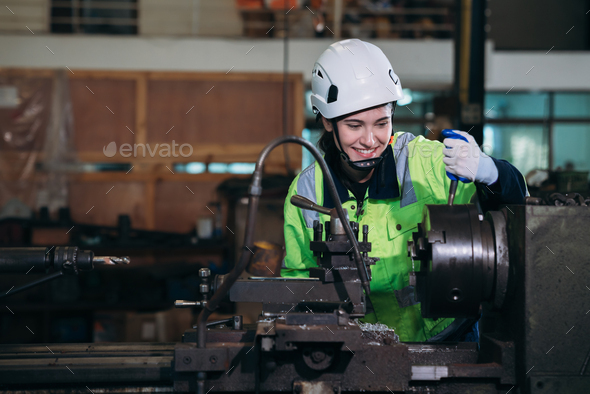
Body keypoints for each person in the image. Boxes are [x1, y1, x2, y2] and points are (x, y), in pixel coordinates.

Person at [280, 39, 528, 342]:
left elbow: (520, 214)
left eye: (382, 123)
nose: (370, 140)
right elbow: (297, 281)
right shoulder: (306, 191)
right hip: (359, 350)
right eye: (354, 126)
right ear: (327, 122)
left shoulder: (429, 163)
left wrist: (491, 172)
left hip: (448, 340)